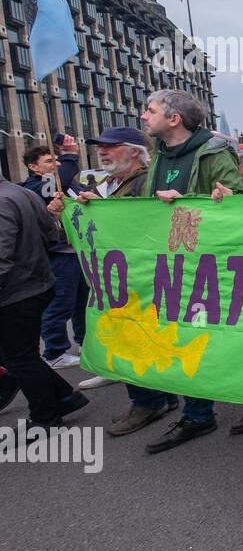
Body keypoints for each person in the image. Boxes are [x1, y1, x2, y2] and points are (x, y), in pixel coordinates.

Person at [138, 89, 243, 453]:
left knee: (233, 333)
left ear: (173, 119)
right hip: (176, 264)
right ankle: (197, 414)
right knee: (185, 337)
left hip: (216, 264)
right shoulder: (160, 154)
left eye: (150, 110)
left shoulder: (212, 152)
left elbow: (238, 204)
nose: (144, 116)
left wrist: (189, 203)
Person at [51, 128, 161, 398]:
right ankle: (144, 395)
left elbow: (149, 226)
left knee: (140, 342)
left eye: (110, 146)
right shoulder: (104, 185)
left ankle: (149, 401)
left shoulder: (146, 182)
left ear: (135, 151)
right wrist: (64, 212)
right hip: (114, 278)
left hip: (139, 277)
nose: (102, 151)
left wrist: (102, 211)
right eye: (99, 146)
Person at [0, 172, 89, 431]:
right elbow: (52, 234)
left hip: (15, 293)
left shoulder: (6, 200)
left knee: (20, 359)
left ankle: (45, 417)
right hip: (34, 283)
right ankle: (63, 396)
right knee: (18, 355)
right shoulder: (23, 193)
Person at [21, 139, 86, 371]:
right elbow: (61, 178)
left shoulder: (66, 185)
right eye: (49, 161)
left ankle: (84, 342)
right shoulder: (35, 187)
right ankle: (54, 352)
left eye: (57, 160)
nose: (56, 165)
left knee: (82, 301)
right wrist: (69, 156)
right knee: (61, 304)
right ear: (34, 168)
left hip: (76, 251)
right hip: (58, 254)